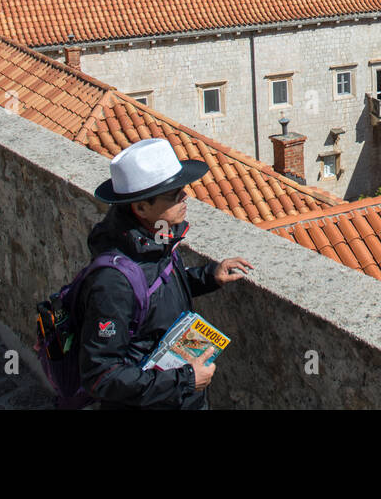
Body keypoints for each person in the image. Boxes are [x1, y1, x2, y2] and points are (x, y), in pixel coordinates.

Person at [76, 137, 252, 409]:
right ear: (141, 207)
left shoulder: (153, 240)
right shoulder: (113, 282)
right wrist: (185, 380)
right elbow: (100, 375)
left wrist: (208, 276)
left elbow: (157, 291)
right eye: (174, 194)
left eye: (182, 189)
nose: (185, 198)